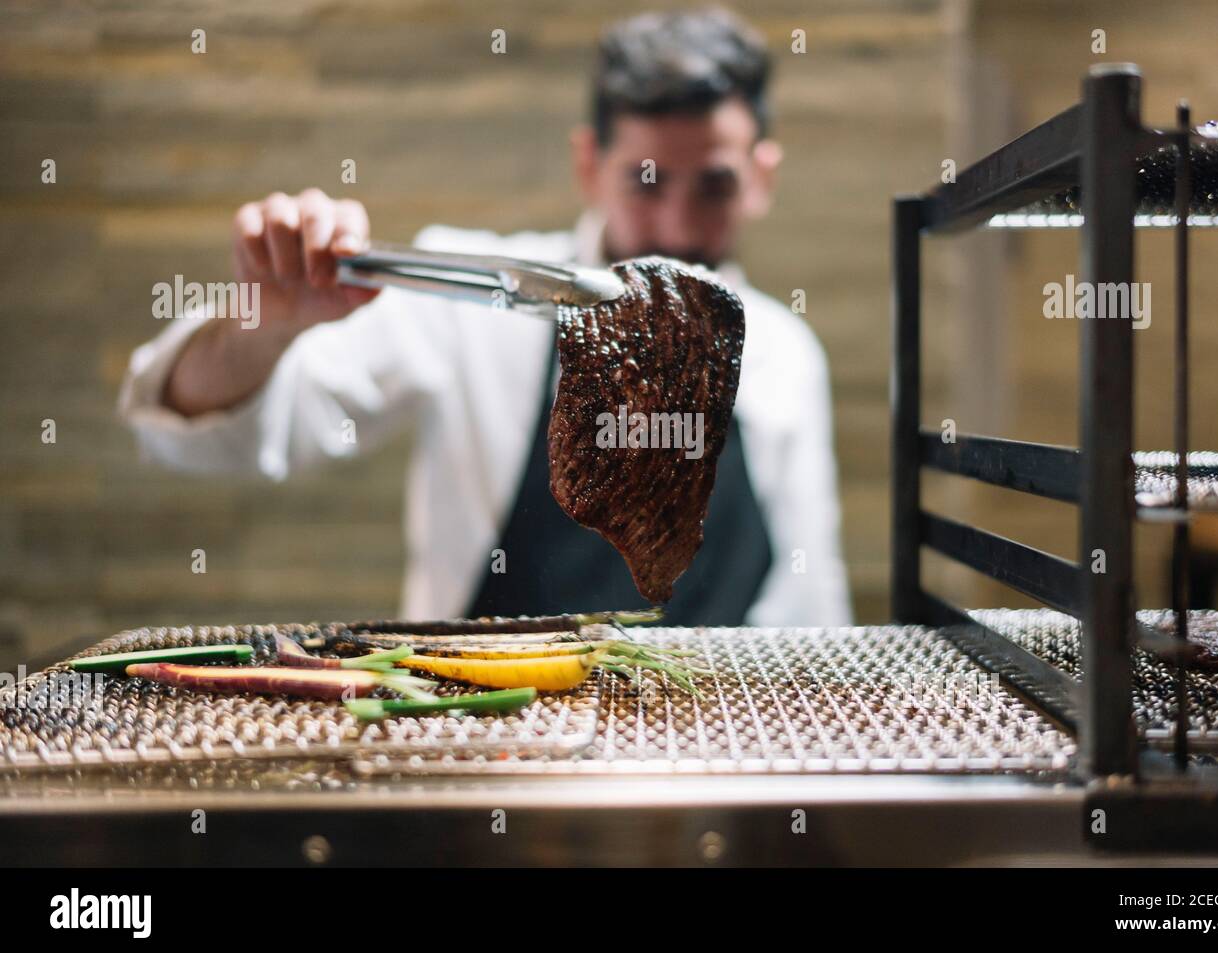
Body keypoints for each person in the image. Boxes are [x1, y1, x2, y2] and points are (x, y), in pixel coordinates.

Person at [118, 8, 851, 626]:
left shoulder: (786, 354)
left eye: (714, 188)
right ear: (589, 165)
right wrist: (268, 323)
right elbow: (203, 439)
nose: (678, 224)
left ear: (761, 178)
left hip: (709, 754)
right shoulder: (471, 297)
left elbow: (809, 603)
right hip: (486, 741)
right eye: (647, 183)